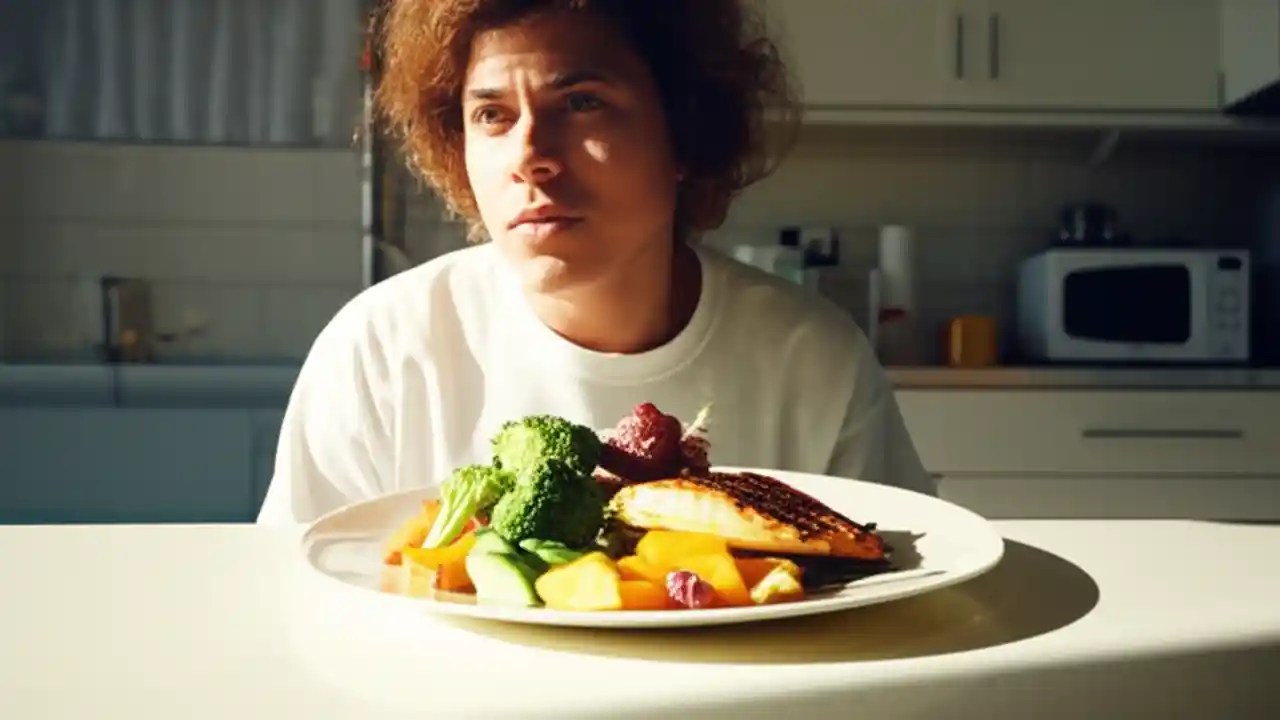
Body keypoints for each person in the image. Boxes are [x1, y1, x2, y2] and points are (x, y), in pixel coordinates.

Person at [256, 0, 934, 524]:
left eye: (582, 103)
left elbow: (903, 605)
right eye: (492, 115)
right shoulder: (383, 349)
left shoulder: (812, 360)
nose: (530, 154)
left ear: (686, 135)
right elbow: (297, 606)